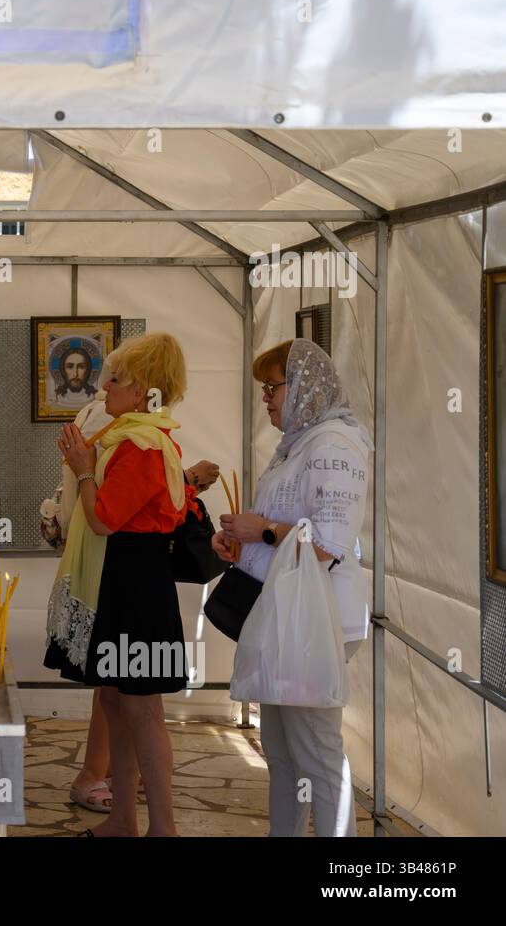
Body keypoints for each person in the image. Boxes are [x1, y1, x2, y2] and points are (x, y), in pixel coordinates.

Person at [40, 352, 217, 815]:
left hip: (137, 588)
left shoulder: (142, 445)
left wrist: (83, 467)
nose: (104, 389)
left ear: (141, 392)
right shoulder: (127, 438)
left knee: (142, 713)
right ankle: (123, 820)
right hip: (122, 582)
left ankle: (161, 826)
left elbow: (102, 519)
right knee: (117, 703)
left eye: (115, 380)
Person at [213, 338, 372, 837]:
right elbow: (286, 529)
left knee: (317, 755)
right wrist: (243, 542)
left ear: (304, 387)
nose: (267, 399)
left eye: (272, 387)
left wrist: (259, 530)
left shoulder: (334, 446)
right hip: (288, 617)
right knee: (281, 752)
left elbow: (326, 545)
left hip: (316, 622)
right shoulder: (299, 444)